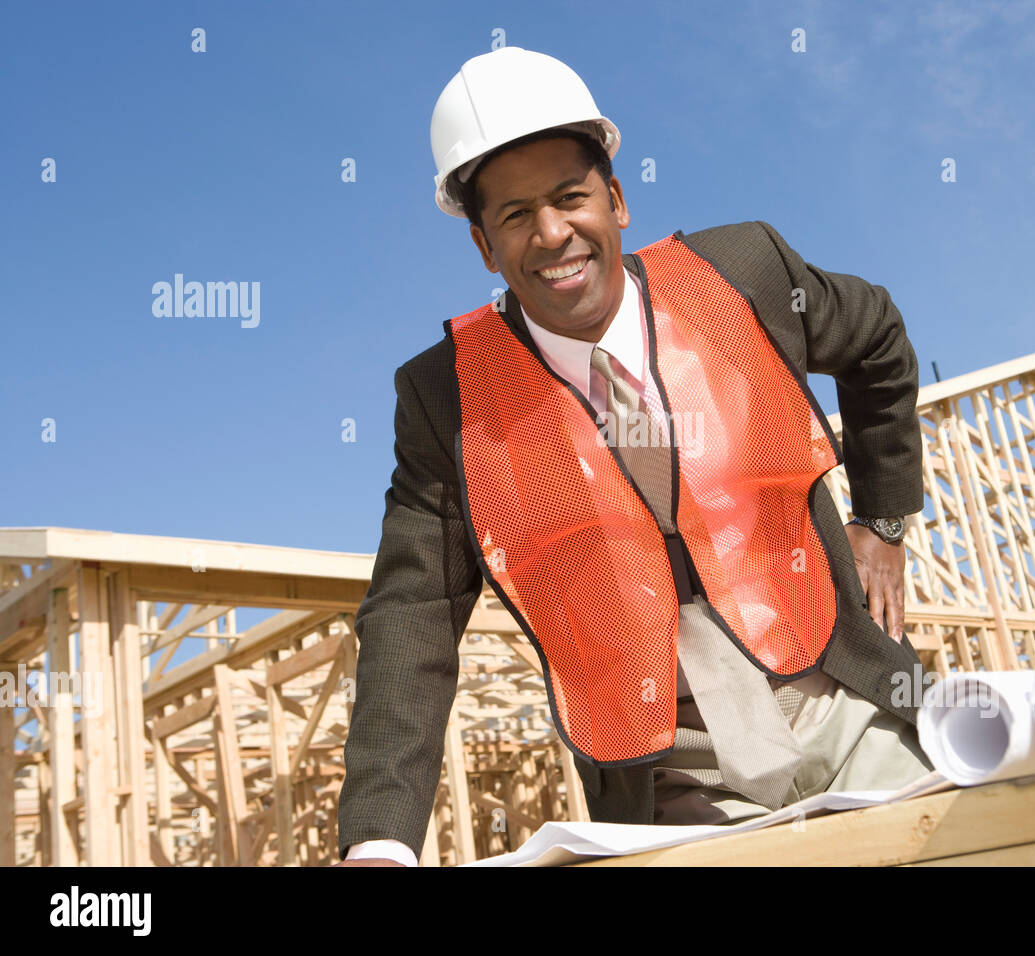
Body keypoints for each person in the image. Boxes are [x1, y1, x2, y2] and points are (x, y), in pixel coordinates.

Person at [335, 47, 933, 867]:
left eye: (569, 198)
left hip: (847, 707)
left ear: (614, 200)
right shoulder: (448, 399)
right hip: (677, 783)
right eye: (514, 216)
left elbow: (876, 338)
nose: (552, 235)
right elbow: (413, 614)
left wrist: (886, 518)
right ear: (483, 246)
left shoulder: (742, 274)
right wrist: (379, 841)